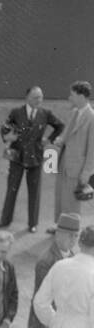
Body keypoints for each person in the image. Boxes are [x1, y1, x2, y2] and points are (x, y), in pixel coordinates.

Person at [25, 213, 80, 328]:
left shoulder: (72, 257)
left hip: (61, 321)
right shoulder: (47, 261)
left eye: (76, 236)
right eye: (69, 235)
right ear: (58, 235)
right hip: (44, 322)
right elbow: (44, 299)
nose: (73, 240)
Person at [0, 86, 63, 233]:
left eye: (40, 97)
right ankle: (5, 219)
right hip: (17, 156)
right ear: (27, 98)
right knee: (11, 189)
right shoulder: (16, 113)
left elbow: (59, 126)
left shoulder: (45, 114)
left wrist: (49, 140)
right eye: (35, 97)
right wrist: (7, 136)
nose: (38, 100)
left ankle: (33, 223)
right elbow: (4, 127)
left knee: (34, 191)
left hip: (35, 157)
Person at [49, 81, 94, 227]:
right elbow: (67, 133)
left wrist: (86, 173)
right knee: (61, 195)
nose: (70, 98)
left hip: (77, 167)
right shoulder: (75, 112)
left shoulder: (92, 118)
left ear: (82, 96)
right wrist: (59, 140)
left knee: (72, 201)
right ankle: (59, 226)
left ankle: (69, 230)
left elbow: (92, 149)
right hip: (64, 160)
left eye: (72, 95)